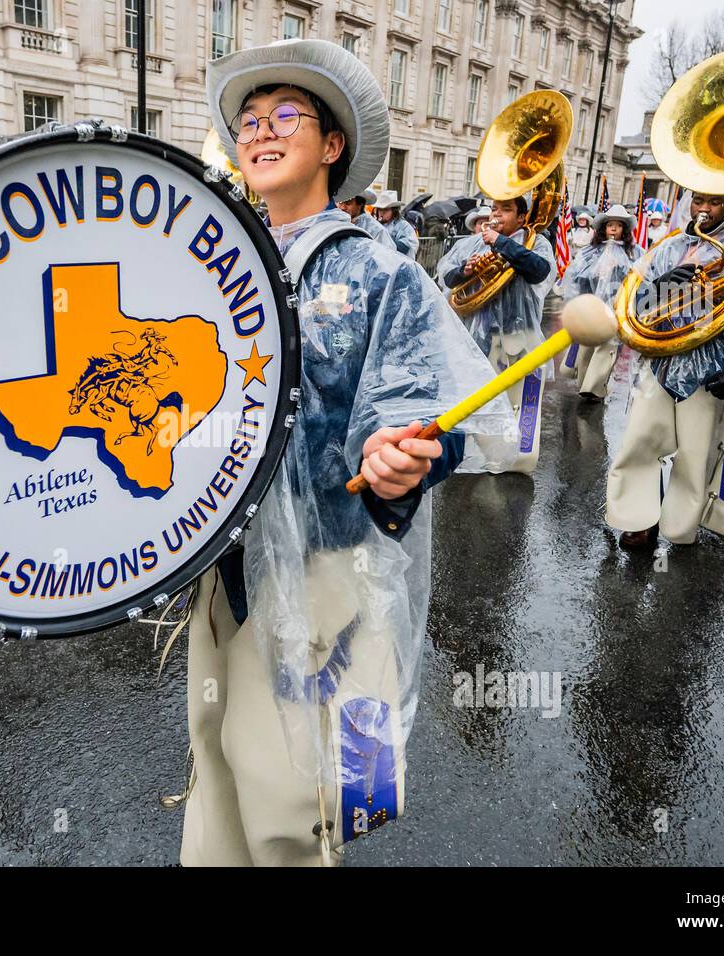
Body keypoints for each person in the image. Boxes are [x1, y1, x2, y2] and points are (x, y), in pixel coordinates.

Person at [186, 37, 507, 866]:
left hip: (321, 566)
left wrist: (401, 455)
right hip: (215, 561)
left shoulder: (377, 269)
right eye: (248, 119)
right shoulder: (205, 261)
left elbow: (415, 402)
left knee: (296, 783)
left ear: (332, 147)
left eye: (285, 114)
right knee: (216, 746)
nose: (260, 129)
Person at [605, 192, 724, 548]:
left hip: (712, 369)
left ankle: (679, 527)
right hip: (660, 364)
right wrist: (662, 286)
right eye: (698, 201)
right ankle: (637, 518)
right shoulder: (666, 248)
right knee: (640, 441)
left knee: (697, 454)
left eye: (715, 202)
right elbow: (633, 305)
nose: (704, 209)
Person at [437, 194, 557, 474]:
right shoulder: (473, 243)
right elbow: (447, 278)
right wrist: (465, 270)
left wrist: (501, 244)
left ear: (521, 216)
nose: (497, 214)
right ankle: (486, 456)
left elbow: (540, 271)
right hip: (481, 334)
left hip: (519, 333)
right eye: (494, 208)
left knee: (517, 401)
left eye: (506, 209)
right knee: (480, 396)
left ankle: (514, 460)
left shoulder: (536, 241)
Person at [560, 203, 640, 402]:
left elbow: (640, 278)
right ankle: (584, 383)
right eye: (610, 224)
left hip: (616, 308)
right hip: (592, 305)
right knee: (587, 346)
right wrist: (595, 272)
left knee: (607, 346)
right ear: (603, 227)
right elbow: (575, 275)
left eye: (618, 225)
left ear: (624, 229)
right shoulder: (591, 251)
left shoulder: (634, 253)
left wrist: (620, 268)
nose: (613, 228)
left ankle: (594, 387)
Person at [370, 189, 418, 257]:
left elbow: (406, 246)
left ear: (394, 210)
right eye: (380, 209)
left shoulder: (403, 226)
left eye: (386, 210)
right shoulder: (376, 224)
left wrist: (384, 243)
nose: (382, 213)